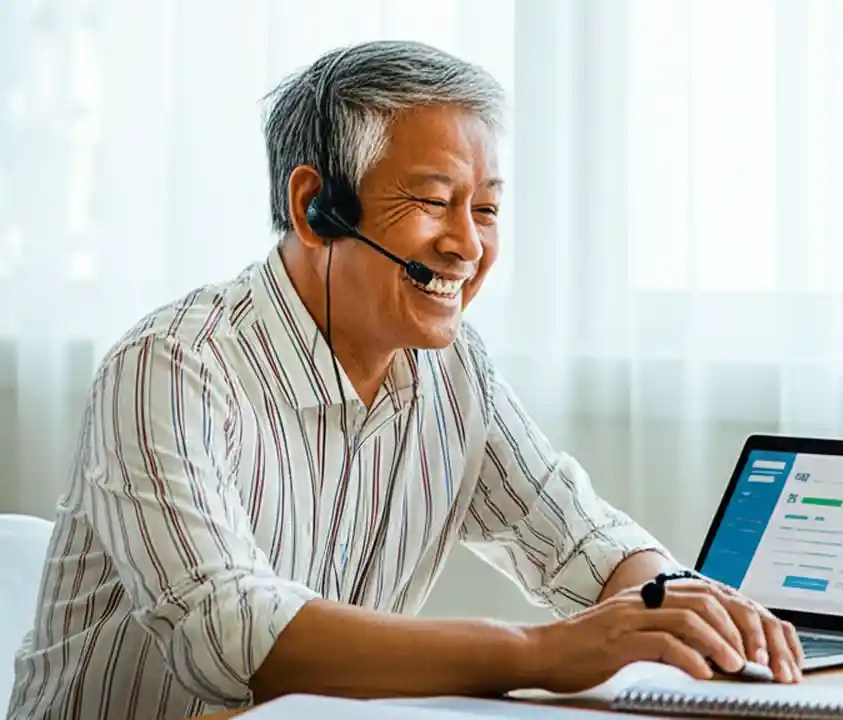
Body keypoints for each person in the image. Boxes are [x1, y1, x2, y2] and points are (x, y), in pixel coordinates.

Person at [6, 41, 802, 720]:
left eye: (486, 210)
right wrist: (539, 653)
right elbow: (232, 634)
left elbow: (578, 541)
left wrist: (683, 607)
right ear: (316, 207)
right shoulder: (172, 367)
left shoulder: (453, 369)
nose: (466, 246)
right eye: (432, 202)